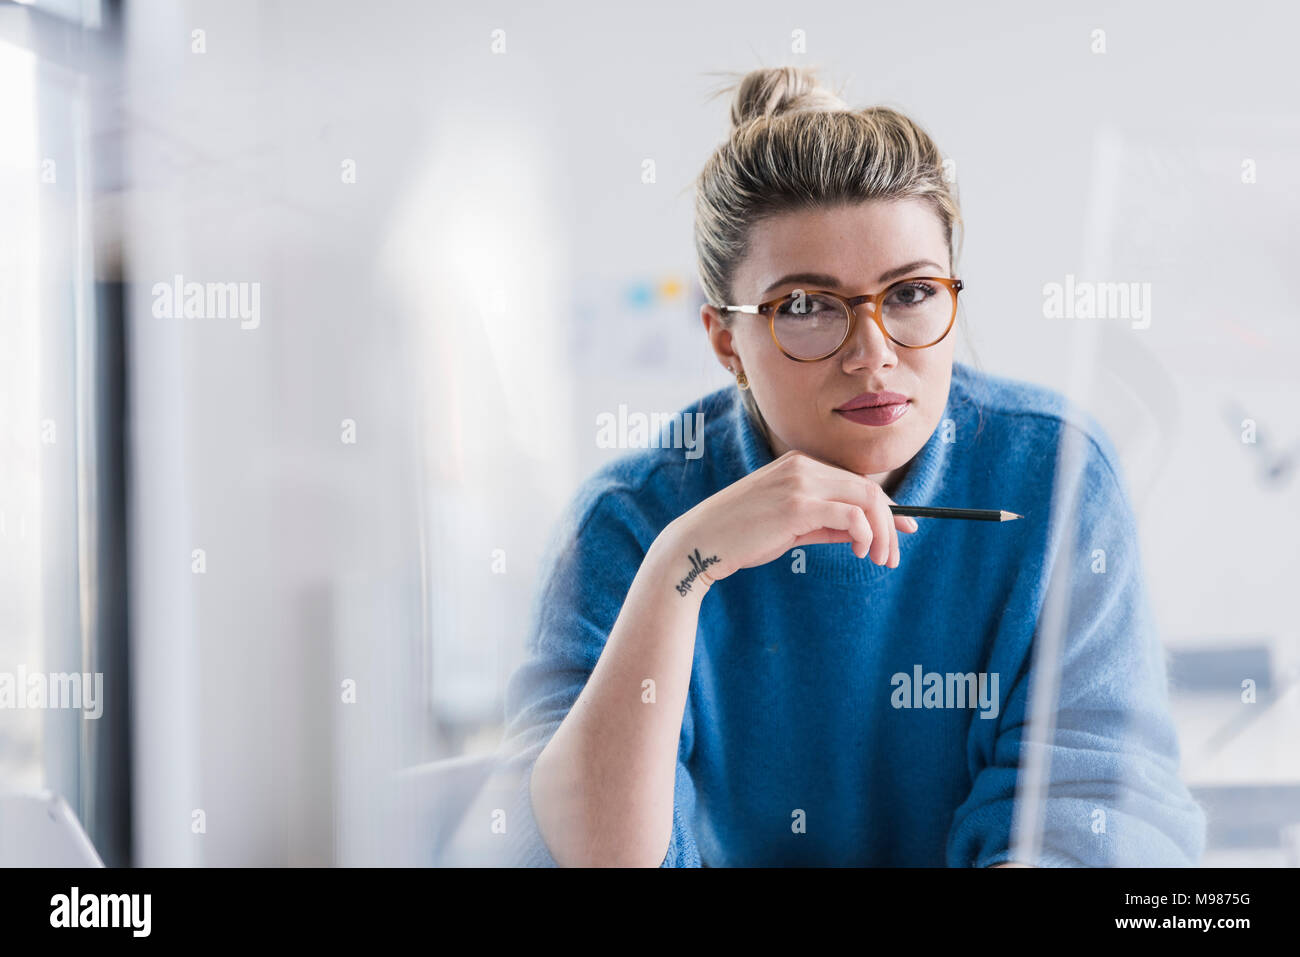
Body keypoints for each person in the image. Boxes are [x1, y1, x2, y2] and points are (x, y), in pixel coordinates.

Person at [491, 66, 1207, 867]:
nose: (872, 355)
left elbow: (1097, 811)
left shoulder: (1056, 475)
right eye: (805, 306)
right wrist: (678, 572)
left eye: (909, 294)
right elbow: (580, 851)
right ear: (725, 338)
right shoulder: (626, 524)